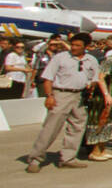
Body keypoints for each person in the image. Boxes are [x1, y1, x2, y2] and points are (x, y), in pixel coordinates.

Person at [26, 32, 99, 172]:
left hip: (79, 97)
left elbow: (94, 78)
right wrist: (49, 96)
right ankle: (36, 158)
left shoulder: (91, 60)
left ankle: (68, 158)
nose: (74, 47)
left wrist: (91, 85)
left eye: (78, 45)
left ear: (86, 46)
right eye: (72, 44)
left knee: (77, 127)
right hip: (61, 94)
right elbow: (48, 78)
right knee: (51, 128)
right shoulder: (60, 58)